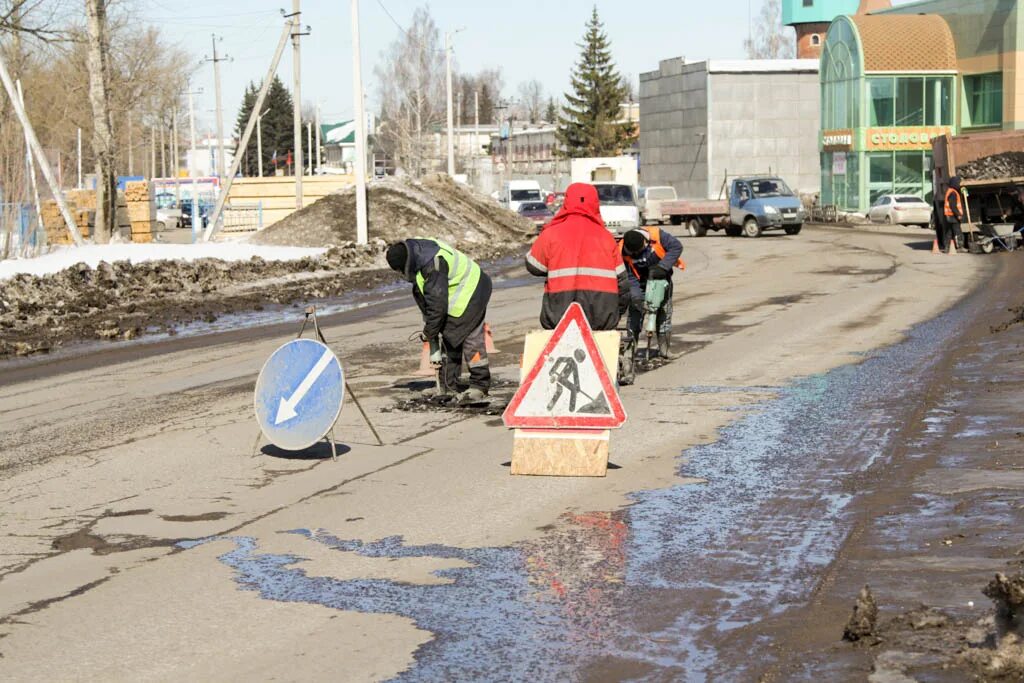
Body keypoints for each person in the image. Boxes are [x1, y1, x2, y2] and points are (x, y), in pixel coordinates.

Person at [386, 238, 491, 403]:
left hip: (473, 290)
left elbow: (437, 303)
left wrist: (430, 331)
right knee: (450, 338)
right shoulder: (419, 255)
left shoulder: (432, 265)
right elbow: (425, 296)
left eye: (400, 270)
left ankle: (479, 386)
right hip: (458, 292)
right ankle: (448, 387)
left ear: (406, 264)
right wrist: (432, 327)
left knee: (471, 339)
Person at [525, 183, 629, 330]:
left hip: (558, 316)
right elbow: (623, 284)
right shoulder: (606, 238)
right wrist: (617, 313)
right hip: (601, 318)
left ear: (566, 202)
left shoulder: (551, 233)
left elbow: (533, 265)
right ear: (595, 203)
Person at [621, 226, 684, 359]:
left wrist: (663, 267)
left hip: (661, 282)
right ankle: (630, 352)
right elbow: (629, 277)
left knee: (664, 315)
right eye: (633, 253)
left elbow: (676, 247)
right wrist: (637, 298)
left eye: (638, 252)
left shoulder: (657, 235)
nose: (635, 255)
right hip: (639, 283)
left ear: (645, 242)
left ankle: (665, 350)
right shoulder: (621, 250)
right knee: (634, 316)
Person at [943, 175, 965, 253]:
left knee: (949, 232)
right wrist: (958, 214)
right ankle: (960, 247)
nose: (959, 184)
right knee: (957, 231)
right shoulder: (953, 193)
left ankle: (947, 247)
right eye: (958, 183)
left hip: (948, 215)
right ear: (955, 183)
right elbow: (953, 205)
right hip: (953, 216)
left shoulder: (950, 191)